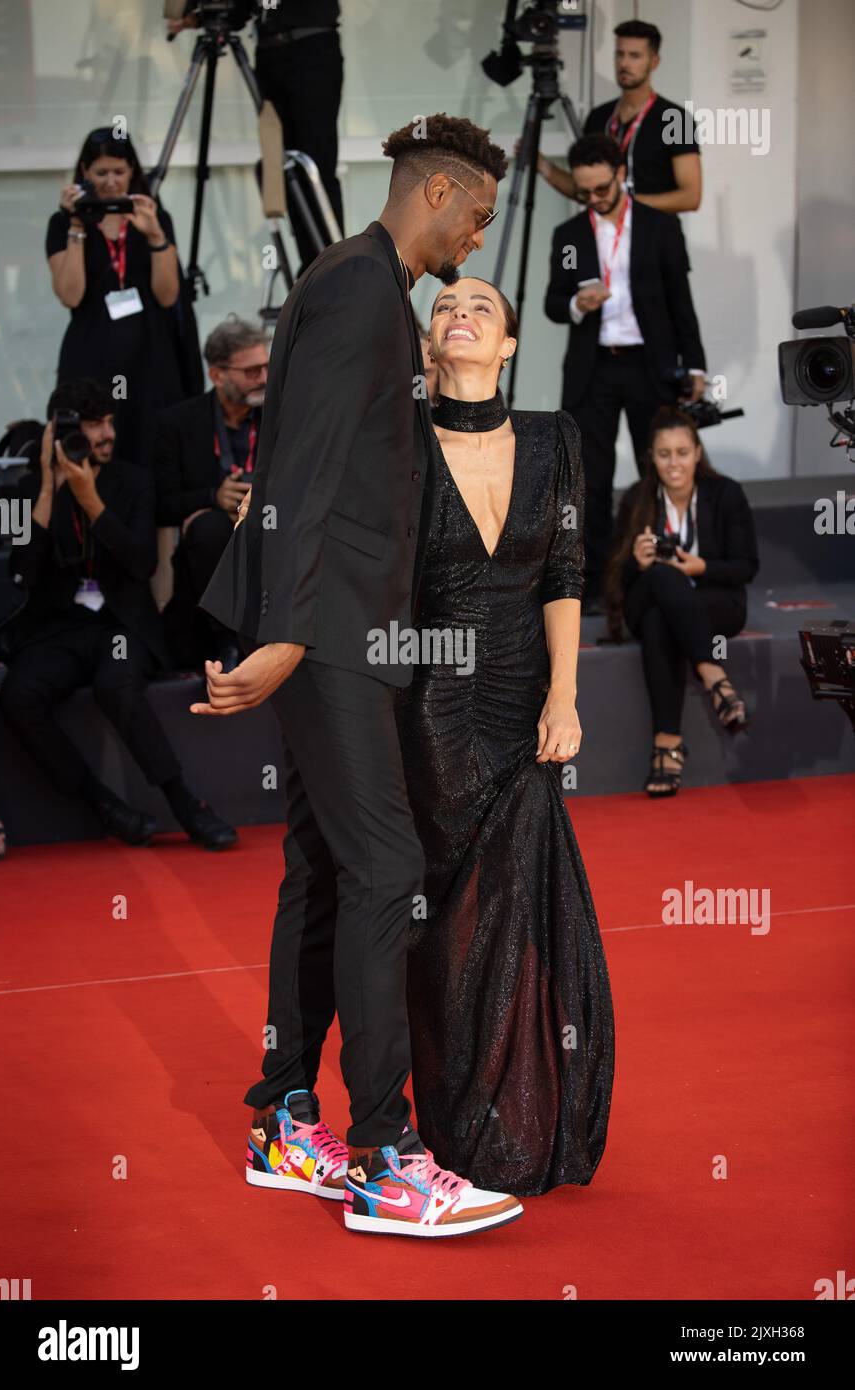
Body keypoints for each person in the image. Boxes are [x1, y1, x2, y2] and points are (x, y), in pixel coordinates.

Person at [192, 115, 526, 1238]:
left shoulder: (367, 286)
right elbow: (298, 469)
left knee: (327, 868)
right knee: (386, 867)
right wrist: (282, 631)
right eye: (478, 214)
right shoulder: (352, 286)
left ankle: (287, 1117)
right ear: (438, 189)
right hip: (328, 631)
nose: (480, 240)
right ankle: (387, 1156)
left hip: (350, 629)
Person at [392, 277, 615, 1197]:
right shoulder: (399, 445)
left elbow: (564, 572)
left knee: (522, 905)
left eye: (481, 305)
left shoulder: (558, 439)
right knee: (453, 913)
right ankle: (452, 1121)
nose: (461, 313)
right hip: (433, 701)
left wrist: (565, 695)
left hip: (528, 694)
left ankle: (525, 1126)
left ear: (510, 345)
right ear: (430, 344)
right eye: (446, 307)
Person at [0, 380, 237, 851]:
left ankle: (185, 803)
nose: (107, 433)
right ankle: (103, 804)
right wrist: (48, 489)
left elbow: (140, 562)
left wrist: (91, 499)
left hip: (119, 627)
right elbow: (22, 575)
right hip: (58, 631)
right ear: (62, 432)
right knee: (16, 696)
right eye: (93, 424)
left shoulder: (132, 480)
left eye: (109, 421)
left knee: (116, 685)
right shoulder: (28, 488)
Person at [544, 133, 707, 612]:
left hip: (648, 365)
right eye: (584, 192)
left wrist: (694, 365)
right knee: (588, 479)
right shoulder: (570, 235)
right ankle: (594, 586)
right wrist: (577, 302)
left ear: (620, 174)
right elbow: (554, 302)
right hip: (593, 369)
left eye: (600, 189)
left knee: (654, 473)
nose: (592, 199)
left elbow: (682, 301)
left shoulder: (659, 227)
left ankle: (651, 575)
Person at [605, 408, 758, 796]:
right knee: (658, 576)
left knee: (661, 621)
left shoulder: (726, 494)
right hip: (649, 596)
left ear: (697, 452)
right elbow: (613, 581)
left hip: (713, 602)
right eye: (664, 454)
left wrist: (700, 567)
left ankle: (667, 745)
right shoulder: (638, 500)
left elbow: (746, 566)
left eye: (682, 452)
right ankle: (715, 677)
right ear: (651, 458)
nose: (674, 463)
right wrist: (636, 565)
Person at [46, 127, 186, 469]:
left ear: (132, 172)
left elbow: (168, 296)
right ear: (84, 173)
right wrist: (78, 225)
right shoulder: (62, 223)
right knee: (90, 446)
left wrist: (155, 235)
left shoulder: (155, 217)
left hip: (147, 355)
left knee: (149, 448)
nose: (111, 182)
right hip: (91, 354)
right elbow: (70, 294)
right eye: (101, 173)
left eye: (119, 172)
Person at [169, 1, 344, 271]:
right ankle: (310, 268)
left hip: (310, 50)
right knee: (283, 169)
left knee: (314, 166)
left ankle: (332, 270)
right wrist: (202, 18)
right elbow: (245, 9)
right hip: (269, 53)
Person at [154, 317, 269, 671]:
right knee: (208, 529)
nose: (264, 378)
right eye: (251, 371)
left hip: (273, 535)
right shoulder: (178, 424)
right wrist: (212, 497)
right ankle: (229, 639)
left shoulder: (282, 414)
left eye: (266, 367)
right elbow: (161, 505)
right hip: (211, 553)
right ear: (217, 375)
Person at [537, 19, 702, 222]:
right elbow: (584, 189)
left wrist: (624, 204)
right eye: (619, 54)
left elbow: (691, 197)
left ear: (654, 62)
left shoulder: (677, 120)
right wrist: (543, 165)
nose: (624, 63)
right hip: (603, 239)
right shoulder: (599, 117)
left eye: (635, 56)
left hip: (656, 239)